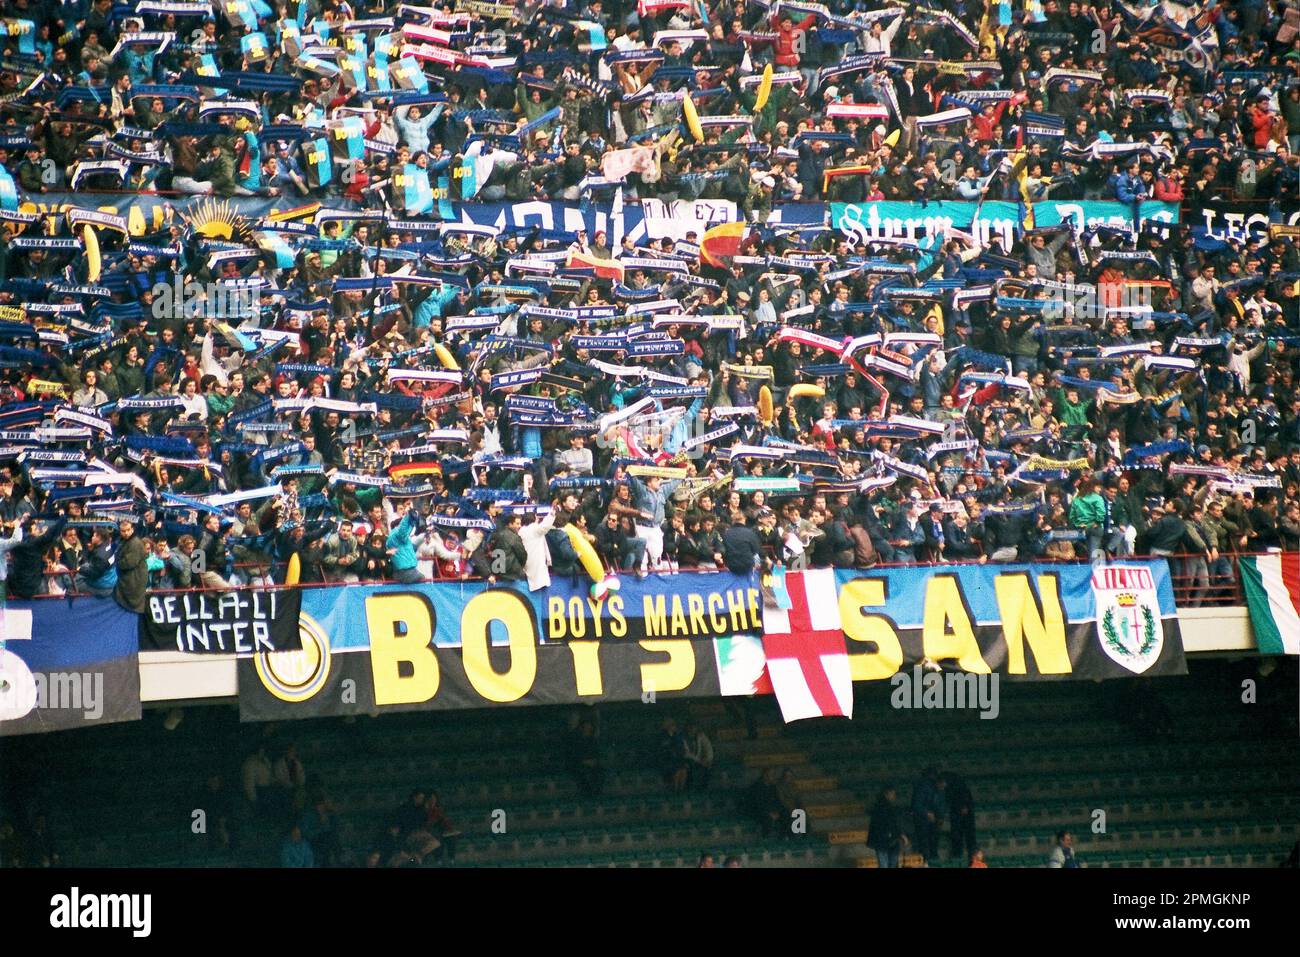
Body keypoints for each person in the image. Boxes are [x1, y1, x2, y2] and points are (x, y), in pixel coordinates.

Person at [868, 785, 908, 869]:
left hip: (888, 840)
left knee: (888, 864)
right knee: (886, 864)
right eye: (892, 794)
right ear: (886, 794)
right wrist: (901, 835)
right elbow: (891, 824)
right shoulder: (883, 808)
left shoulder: (880, 807)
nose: (894, 796)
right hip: (883, 840)